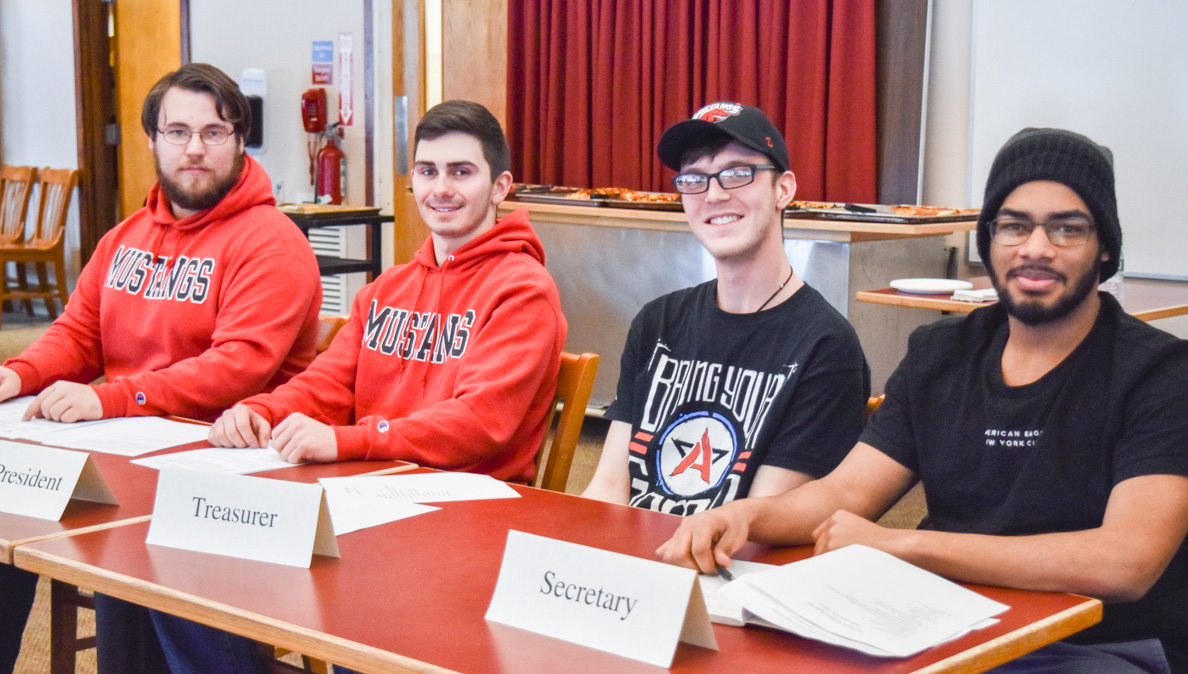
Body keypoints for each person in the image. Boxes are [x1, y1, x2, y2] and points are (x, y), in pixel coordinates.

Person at [659, 127, 1188, 674]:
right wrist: (745, 514)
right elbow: (845, 492)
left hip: (1097, 649)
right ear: (988, 240)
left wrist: (901, 547)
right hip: (942, 624)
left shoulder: (1160, 373)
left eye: (1067, 229)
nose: (1035, 248)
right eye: (1013, 226)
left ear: (1105, 248)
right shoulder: (942, 354)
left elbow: (1125, 563)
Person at [0, 63, 323, 674]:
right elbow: (78, 333)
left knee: (155, 550)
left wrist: (112, 397)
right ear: (152, 139)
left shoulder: (271, 242)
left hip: (231, 468)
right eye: (177, 131)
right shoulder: (125, 236)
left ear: (239, 139)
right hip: (127, 458)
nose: (195, 147)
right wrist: (18, 374)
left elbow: (238, 368)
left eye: (214, 131)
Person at [582, 102, 869, 515]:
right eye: (694, 179)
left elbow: (758, 525)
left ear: (783, 190)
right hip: (632, 563)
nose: (714, 194)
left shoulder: (824, 345)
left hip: (728, 569)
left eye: (738, 173)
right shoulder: (657, 322)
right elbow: (608, 488)